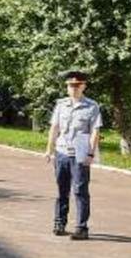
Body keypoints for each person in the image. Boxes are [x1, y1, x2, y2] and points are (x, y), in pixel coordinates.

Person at [44, 70, 103, 240]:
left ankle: (81, 228)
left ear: (84, 86)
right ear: (67, 87)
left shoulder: (92, 106)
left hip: (80, 154)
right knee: (62, 190)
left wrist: (91, 153)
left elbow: (95, 131)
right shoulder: (61, 105)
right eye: (71, 85)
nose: (74, 88)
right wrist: (50, 149)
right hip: (62, 152)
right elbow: (54, 128)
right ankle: (59, 223)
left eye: (77, 85)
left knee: (80, 190)